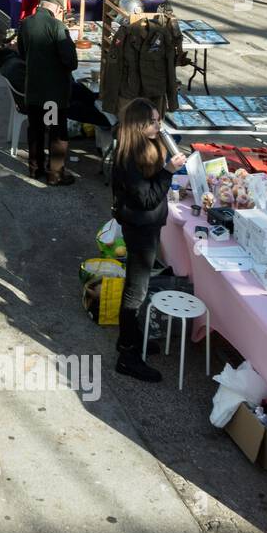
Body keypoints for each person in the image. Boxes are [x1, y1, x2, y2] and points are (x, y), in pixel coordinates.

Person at [111, 98, 186, 383]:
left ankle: (129, 339)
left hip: (145, 225)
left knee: (137, 286)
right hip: (139, 227)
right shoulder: (128, 157)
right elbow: (146, 198)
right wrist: (168, 171)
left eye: (158, 120)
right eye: (154, 121)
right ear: (140, 125)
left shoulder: (142, 146)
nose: (159, 125)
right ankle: (128, 355)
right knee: (136, 290)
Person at [17, 0, 78, 185]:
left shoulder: (26, 23)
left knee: (35, 129)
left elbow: (22, 51)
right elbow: (70, 62)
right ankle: (55, 174)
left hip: (33, 90)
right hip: (52, 95)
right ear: (58, 9)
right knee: (55, 131)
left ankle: (34, 169)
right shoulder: (57, 27)